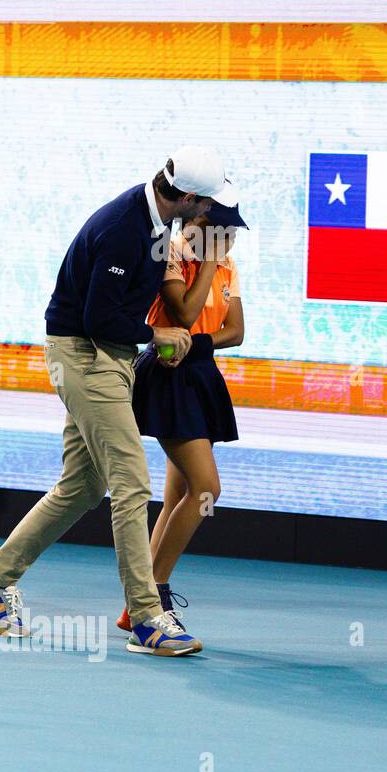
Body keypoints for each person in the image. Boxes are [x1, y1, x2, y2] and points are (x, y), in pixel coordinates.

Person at [0, 146, 236, 658]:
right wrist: (160, 335)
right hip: (85, 357)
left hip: (107, 357)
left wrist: (159, 336)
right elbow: (97, 318)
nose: (210, 216)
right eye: (208, 205)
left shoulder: (155, 224)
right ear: (190, 197)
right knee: (131, 481)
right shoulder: (125, 228)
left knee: (83, 485)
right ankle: (148, 617)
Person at [116, 198, 247, 631]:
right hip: (166, 375)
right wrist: (208, 262)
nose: (225, 238)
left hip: (198, 374)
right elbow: (184, 313)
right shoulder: (168, 254)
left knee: (179, 496)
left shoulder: (227, 263)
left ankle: (137, 604)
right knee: (207, 488)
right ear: (194, 222)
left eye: (229, 231)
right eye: (217, 228)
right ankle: (154, 595)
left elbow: (236, 332)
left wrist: (196, 344)